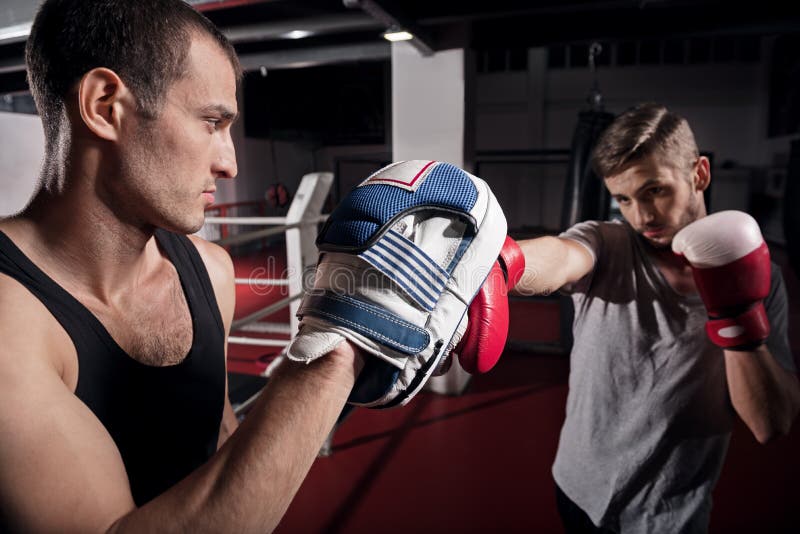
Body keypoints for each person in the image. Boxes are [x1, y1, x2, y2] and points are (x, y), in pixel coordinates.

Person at [0, 1, 365, 531]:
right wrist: (336, 354)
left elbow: (216, 446)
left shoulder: (211, 274)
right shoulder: (10, 325)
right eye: (211, 122)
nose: (229, 162)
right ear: (105, 106)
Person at [513, 103, 800, 533]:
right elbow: (560, 257)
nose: (641, 216)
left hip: (668, 514)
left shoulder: (765, 279)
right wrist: (500, 263)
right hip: (579, 488)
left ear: (699, 174)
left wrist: (735, 313)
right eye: (624, 199)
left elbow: (770, 423)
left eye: (655, 191)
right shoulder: (608, 243)